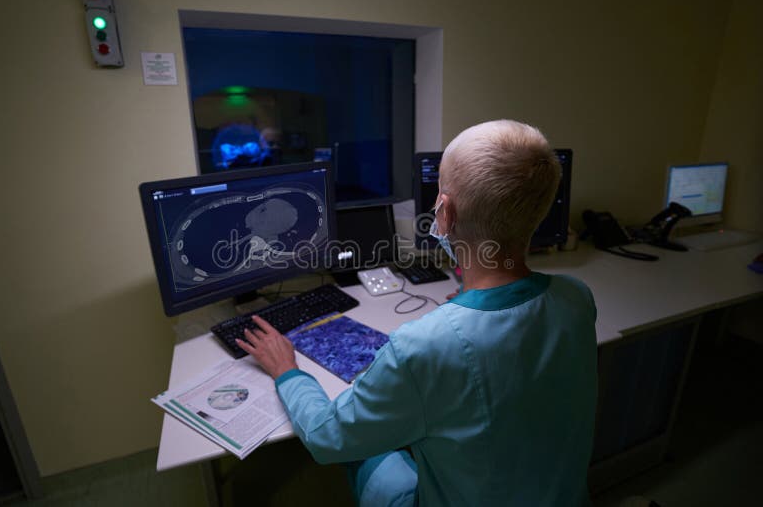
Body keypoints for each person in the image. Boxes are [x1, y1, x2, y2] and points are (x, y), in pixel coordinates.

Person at [237, 120, 598, 506]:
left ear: (445, 213)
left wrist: (287, 371)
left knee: (368, 450)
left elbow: (328, 438)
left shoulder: (425, 346)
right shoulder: (576, 298)